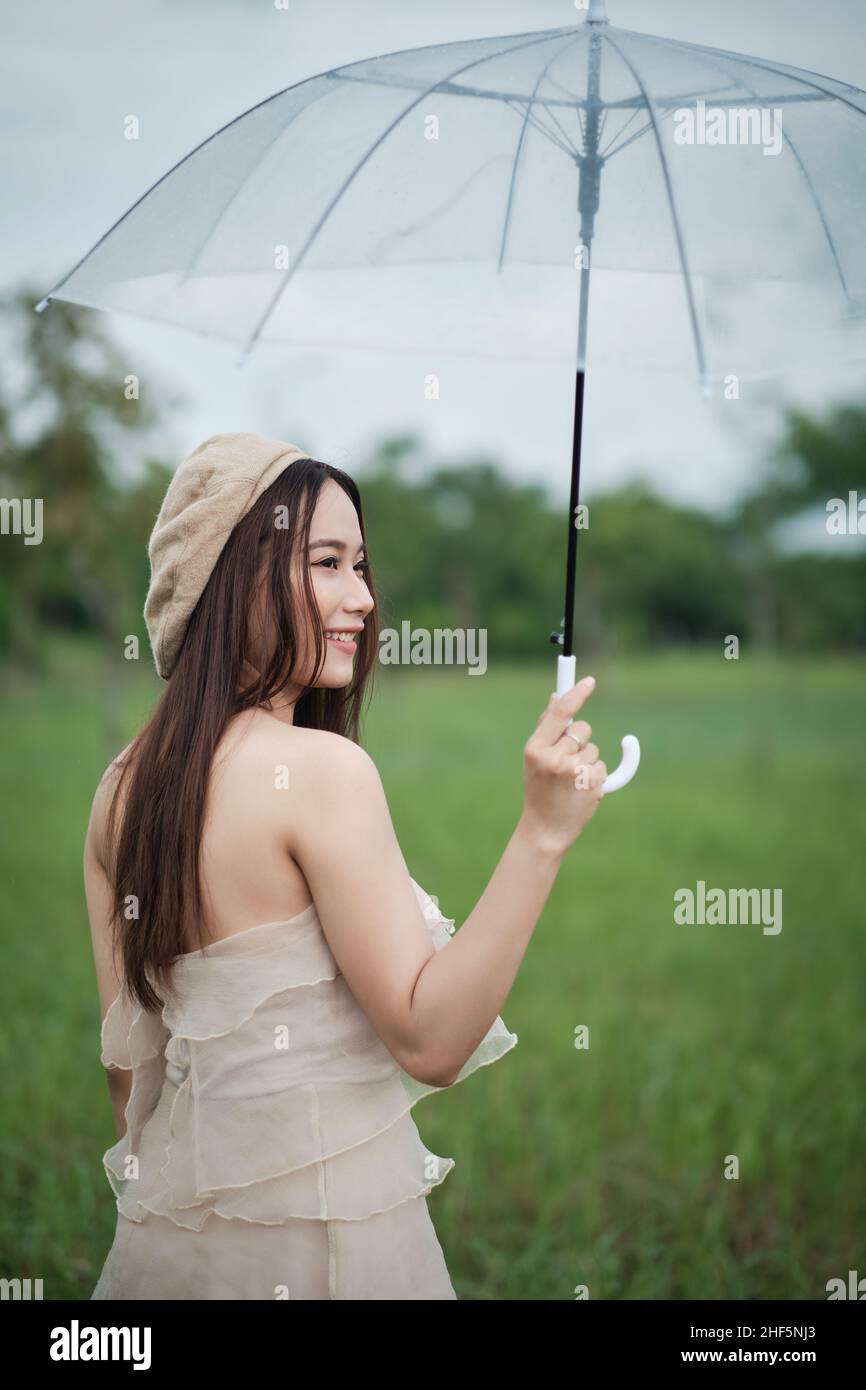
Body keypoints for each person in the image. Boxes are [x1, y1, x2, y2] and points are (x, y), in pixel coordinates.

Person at [84, 431, 606, 1300]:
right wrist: (541, 836)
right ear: (227, 577)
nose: (363, 596)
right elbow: (432, 1041)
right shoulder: (322, 775)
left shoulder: (118, 791)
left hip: (162, 1252)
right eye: (325, 562)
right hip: (327, 1247)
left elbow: (126, 1077)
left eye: (361, 565)